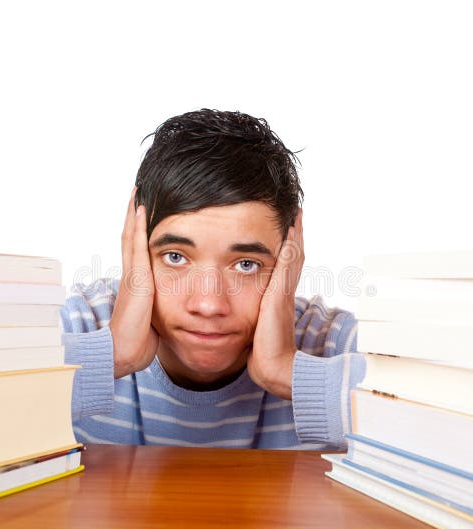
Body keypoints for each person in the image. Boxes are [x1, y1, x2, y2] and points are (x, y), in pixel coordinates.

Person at [61, 109, 364, 449]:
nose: (208, 305)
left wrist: (287, 371)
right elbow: (4, 408)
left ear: (288, 259)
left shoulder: (329, 346)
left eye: (246, 264)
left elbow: (418, 426)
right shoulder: (81, 327)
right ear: (135, 247)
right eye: (175, 257)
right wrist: (110, 355)